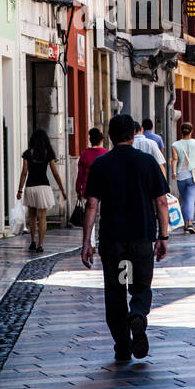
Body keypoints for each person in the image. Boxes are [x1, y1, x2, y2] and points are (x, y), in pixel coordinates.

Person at [82, 113, 169, 362]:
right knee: (141, 286)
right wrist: (163, 236)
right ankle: (138, 314)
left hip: (113, 241)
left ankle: (122, 345)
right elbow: (161, 202)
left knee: (117, 290)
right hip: (141, 239)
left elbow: (91, 205)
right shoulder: (147, 162)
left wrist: (87, 242)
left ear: (109, 136)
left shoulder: (101, 164)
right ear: (133, 135)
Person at [17, 129, 67, 254]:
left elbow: (24, 173)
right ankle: (41, 244)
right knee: (42, 217)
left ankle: (33, 241)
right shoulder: (48, 153)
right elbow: (55, 173)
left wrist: (19, 190)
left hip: (30, 187)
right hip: (43, 187)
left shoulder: (27, 154)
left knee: (32, 216)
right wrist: (62, 189)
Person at [171, 121, 195, 234]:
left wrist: (174, 172)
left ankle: (185, 224)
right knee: (190, 200)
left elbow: (174, 159)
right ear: (191, 131)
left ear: (181, 131)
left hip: (181, 175)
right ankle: (190, 223)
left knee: (185, 200)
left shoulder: (175, 145)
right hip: (193, 176)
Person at [76, 128, 106, 200]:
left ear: (91, 141)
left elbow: (80, 174)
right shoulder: (106, 153)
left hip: (87, 190)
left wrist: (78, 189)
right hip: (103, 190)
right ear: (101, 141)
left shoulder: (84, 154)